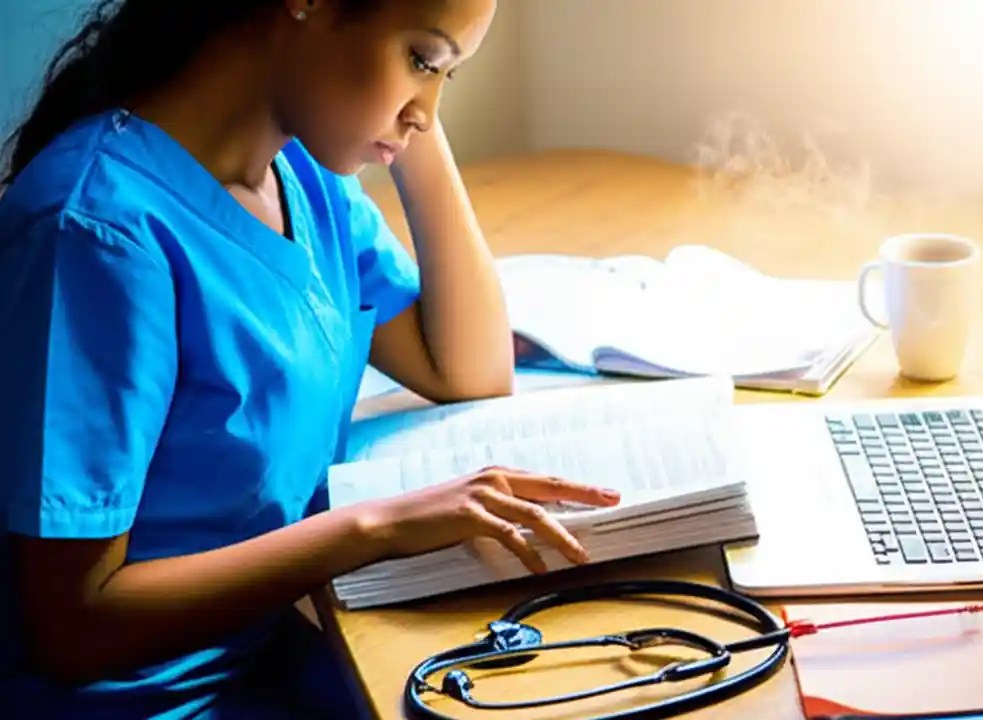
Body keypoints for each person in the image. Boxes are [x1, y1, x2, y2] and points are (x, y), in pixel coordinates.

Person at [0, 1, 622, 717]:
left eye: (448, 72)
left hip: (281, 650)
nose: (428, 108)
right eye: (421, 59)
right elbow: (76, 628)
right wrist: (374, 529)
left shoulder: (303, 174)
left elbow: (469, 368)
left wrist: (411, 113)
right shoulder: (96, 233)